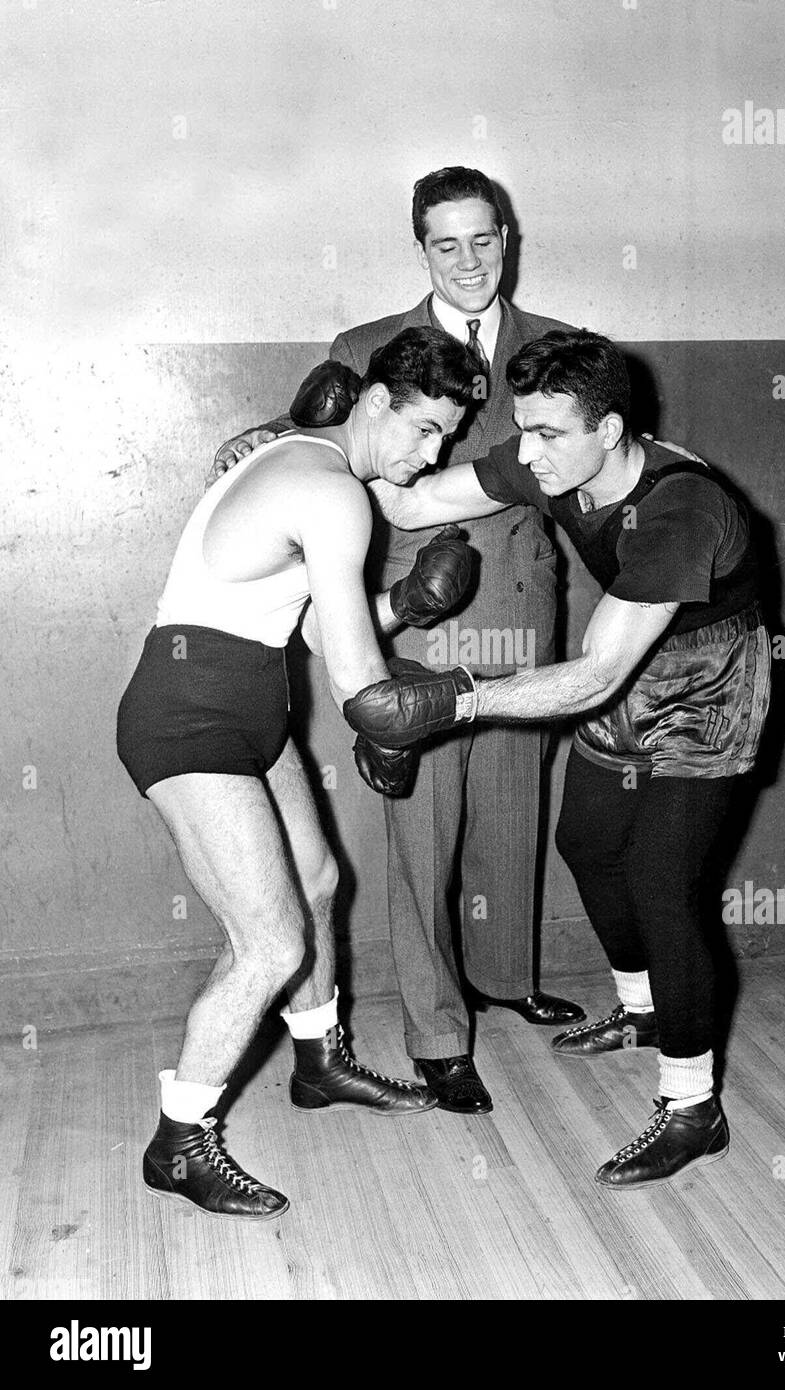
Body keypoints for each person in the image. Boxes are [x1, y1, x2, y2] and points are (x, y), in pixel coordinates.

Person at [343, 330, 772, 1189]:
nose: (524, 453)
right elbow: (411, 502)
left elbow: (596, 675)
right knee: (585, 841)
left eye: (546, 434)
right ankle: (645, 1013)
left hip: (708, 680)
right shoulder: (546, 458)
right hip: (622, 667)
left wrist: (449, 700)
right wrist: (304, 439)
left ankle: (694, 1108)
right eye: (523, 429)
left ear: (607, 431)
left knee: (661, 882)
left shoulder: (679, 509)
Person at [213, 168, 583, 1116]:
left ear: (509, 236)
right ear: (420, 248)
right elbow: (312, 448)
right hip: (404, 601)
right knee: (422, 820)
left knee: (510, 797)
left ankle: (504, 974)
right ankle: (435, 1030)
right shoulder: (363, 347)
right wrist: (250, 438)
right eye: (444, 243)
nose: (467, 260)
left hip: (519, 598)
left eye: (482, 239)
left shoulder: (562, 349)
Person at [116, 328, 478, 1220]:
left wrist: (413, 603)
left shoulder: (307, 462)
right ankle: (180, 1141)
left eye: (445, 438)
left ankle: (317, 1062)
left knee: (317, 882)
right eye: (423, 429)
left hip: (248, 699)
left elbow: (317, 630)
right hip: (189, 713)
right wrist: (458, 701)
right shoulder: (332, 493)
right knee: (268, 944)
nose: (428, 455)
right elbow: (357, 679)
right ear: (375, 401)